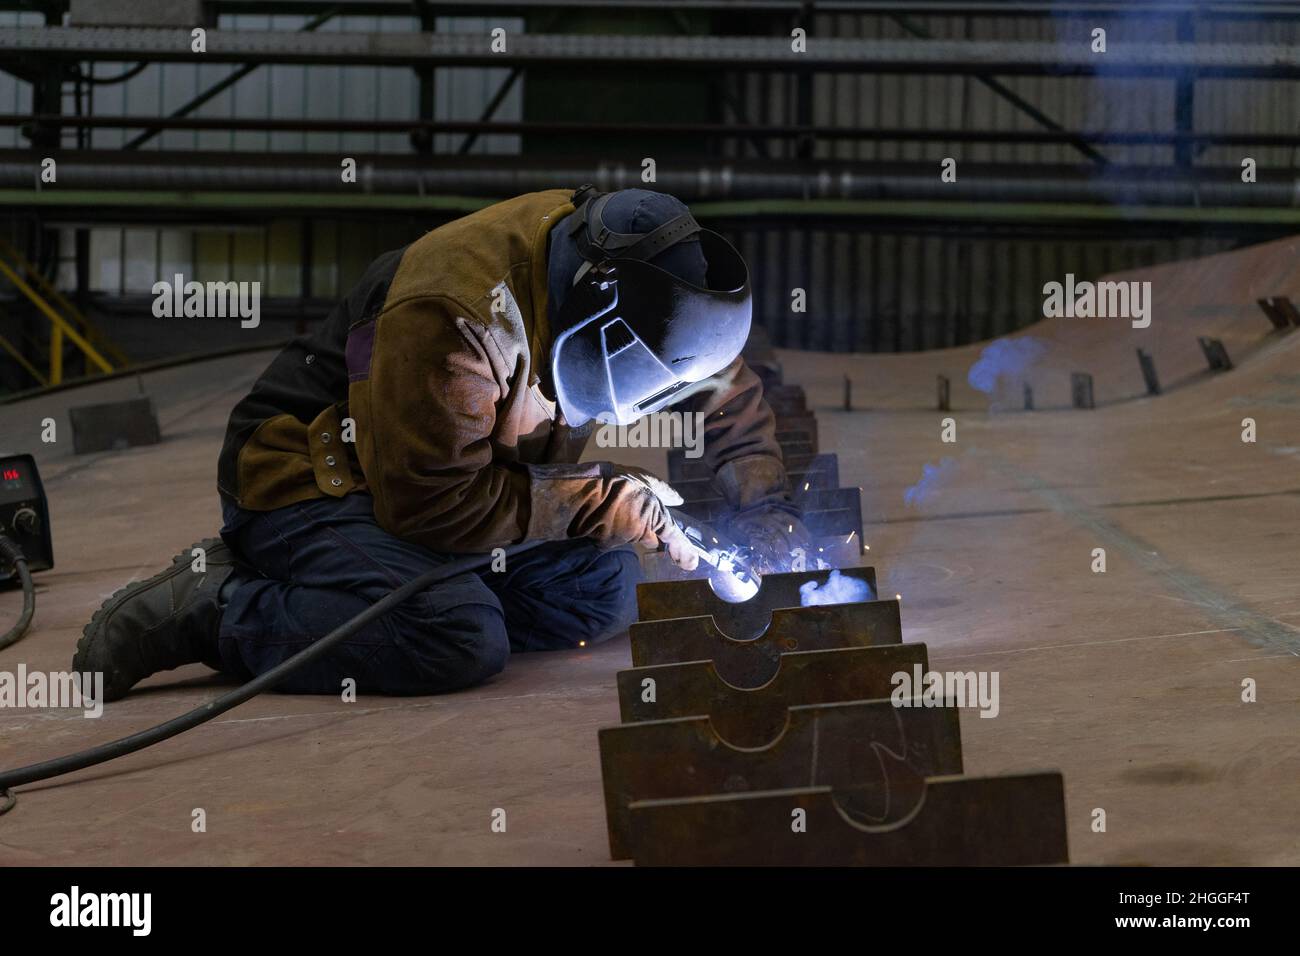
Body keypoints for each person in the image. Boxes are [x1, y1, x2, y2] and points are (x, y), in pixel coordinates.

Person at [75, 186, 809, 701]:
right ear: (598, 315)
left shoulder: (643, 274)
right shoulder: (457, 318)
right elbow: (432, 503)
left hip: (462, 482)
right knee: (455, 640)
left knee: (604, 591)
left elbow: (720, 383)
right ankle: (217, 603)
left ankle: (404, 595)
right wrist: (600, 497)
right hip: (323, 482)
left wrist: (764, 507)